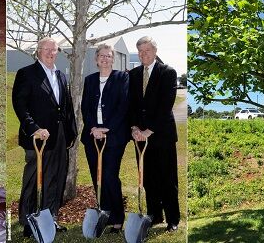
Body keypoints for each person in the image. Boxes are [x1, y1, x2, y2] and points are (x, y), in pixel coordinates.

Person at [13, 37, 77, 236]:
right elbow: (20, 106)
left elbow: (66, 107)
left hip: (58, 137)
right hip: (37, 138)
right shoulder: (27, 74)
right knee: (34, 180)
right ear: (38, 51)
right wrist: (34, 128)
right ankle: (28, 221)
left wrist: (71, 132)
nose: (51, 53)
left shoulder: (60, 75)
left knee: (55, 179)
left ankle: (50, 218)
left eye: (54, 50)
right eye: (46, 49)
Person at [127, 36, 180, 231]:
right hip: (139, 137)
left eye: (146, 51)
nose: (143, 54)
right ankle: (154, 215)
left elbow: (166, 105)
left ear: (155, 51)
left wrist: (149, 130)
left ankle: (172, 219)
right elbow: (130, 105)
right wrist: (134, 128)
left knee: (167, 178)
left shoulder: (167, 72)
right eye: (140, 51)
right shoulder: (133, 74)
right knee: (148, 178)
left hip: (161, 135)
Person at [81, 43, 129, 233]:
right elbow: (86, 107)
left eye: (109, 56)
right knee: (97, 176)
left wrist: (107, 128)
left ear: (113, 59)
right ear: (96, 59)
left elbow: (123, 105)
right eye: (102, 56)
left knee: (110, 176)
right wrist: (94, 127)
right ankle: (105, 213)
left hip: (114, 136)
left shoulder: (122, 77)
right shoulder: (90, 80)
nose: (105, 59)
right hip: (92, 136)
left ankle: (118, 217)